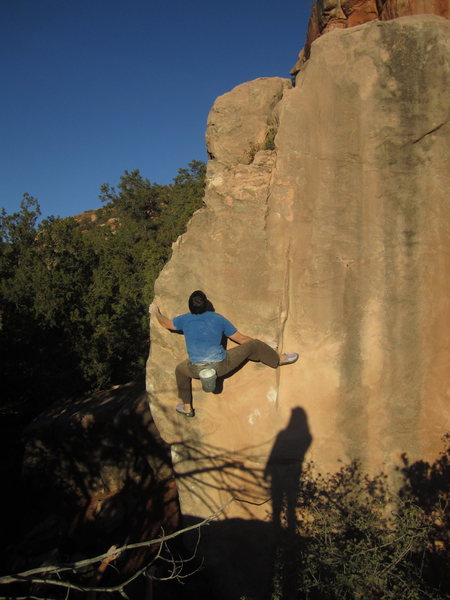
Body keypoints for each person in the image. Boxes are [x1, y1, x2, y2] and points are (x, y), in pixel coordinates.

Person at [150, 290, 298, 417]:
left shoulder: (184, 319)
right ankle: (278, 358)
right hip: (221, 365)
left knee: (180, 371)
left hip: (195, 368)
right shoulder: (217, 319)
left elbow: (166, 324)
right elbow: (241, 339)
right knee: (253, 345)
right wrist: (263, 345)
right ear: (206, 304)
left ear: (190, 307)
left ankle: (187, 407)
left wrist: (156, 312)